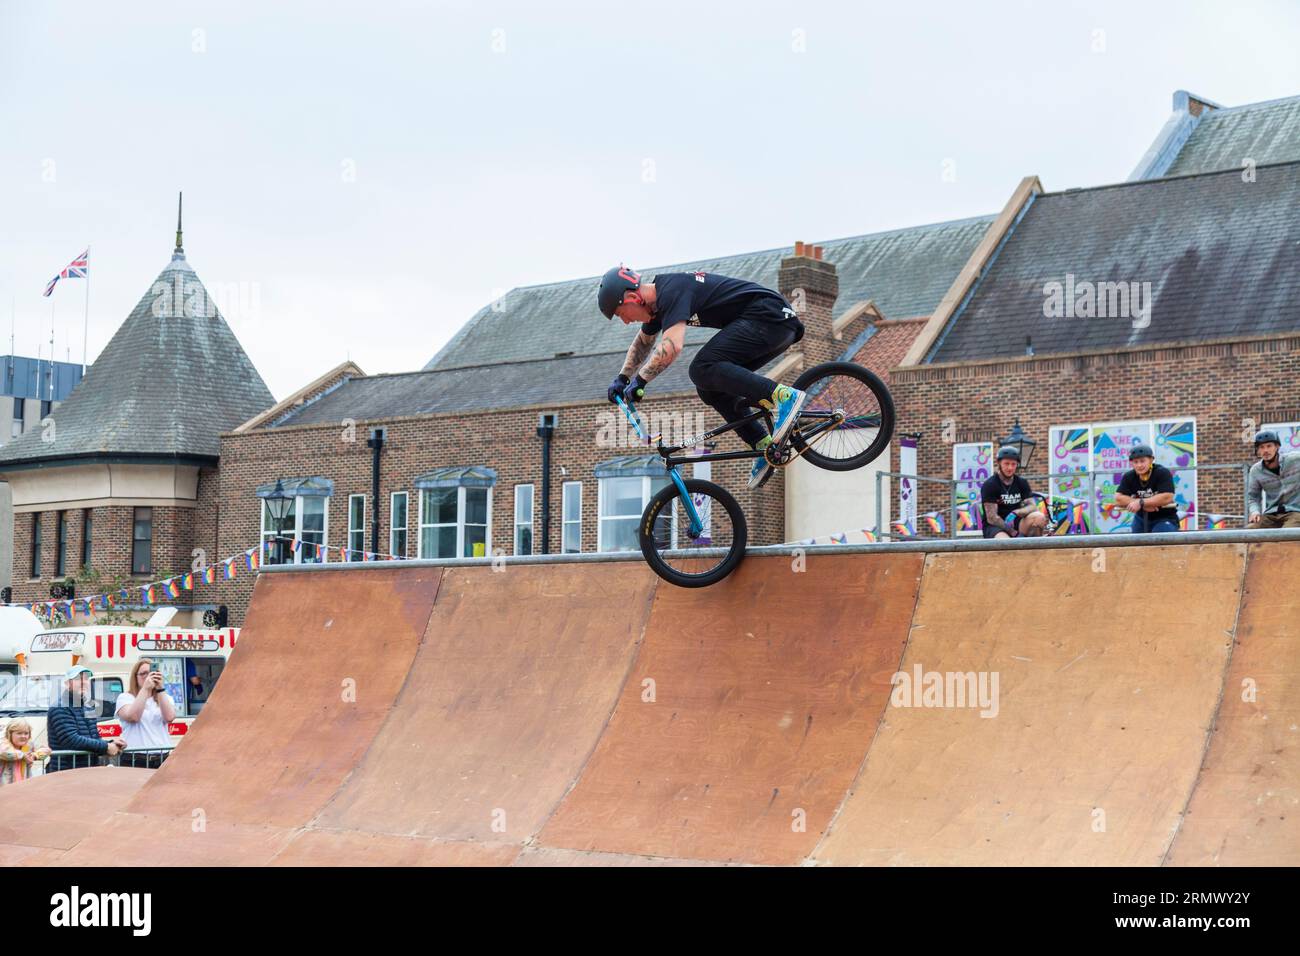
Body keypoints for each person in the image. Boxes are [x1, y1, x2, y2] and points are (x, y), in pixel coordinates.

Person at [599, 265, 806, 489]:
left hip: (768, 318)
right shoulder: (659, 305)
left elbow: (672, 347)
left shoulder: (672, 290)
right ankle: (763, 445)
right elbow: (642, 344)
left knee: (702, 368)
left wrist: (640, 382)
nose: (626, 322)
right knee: (709, 387)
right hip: (773, 325)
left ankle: (785, 396)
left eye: (621, 315)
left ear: (632, 297)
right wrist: (622, 378)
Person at [46, 666, 125, 772]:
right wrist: (106, 747)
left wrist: (112, 743)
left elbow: (94, 737)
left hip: (87, 771)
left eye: (86, 678)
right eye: (78, 679)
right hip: (66, 773)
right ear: (67, 684)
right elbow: (71, 740)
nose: (83, 682)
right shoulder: (59, 708)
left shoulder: (88, 706)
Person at [115, 658, 175, 769]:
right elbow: (133, 717)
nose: (148, 677)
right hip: (135, 758)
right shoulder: (125, 697)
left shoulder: (165, 697)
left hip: (162, 757)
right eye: (143, 674)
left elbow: (169, 717)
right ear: (135, 677)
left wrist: (160, 688)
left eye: (151, 673)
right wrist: (145, 689)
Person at [980, 446, 1048, 539]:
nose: (1010, 468)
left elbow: (1033, 507)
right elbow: (992, 518)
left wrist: (1017, 512)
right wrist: (1014, 533)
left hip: (1016, 522)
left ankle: (1033, 549)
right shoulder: (990, 484)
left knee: (1039, 517)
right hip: (996, 527)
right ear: (999, 463)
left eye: (1013, 464)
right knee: (1006, 543)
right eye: (1006, 464)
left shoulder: (1021, 482)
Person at [1114, 443, 1179, 533]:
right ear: (1131, 463)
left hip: (1164, 518)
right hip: (1141, 519)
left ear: (1151, 460)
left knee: (1160, 539)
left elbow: (1167, 497)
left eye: (1142, 461)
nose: (1139, 465)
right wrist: (1143, 505)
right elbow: (1118, 498)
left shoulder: (1162, 473)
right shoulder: (1129, 476)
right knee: (1136, 543)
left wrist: (1141, 502)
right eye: (1135, 462)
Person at [1246, 429, 1300, 528]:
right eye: (1261, 447)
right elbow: (1253, 497)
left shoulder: (1295, 460)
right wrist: (1255, 512)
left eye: (1269, 446)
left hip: (1295, 511)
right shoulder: (1255, 470)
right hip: (1271, 514)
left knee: (1288, 533)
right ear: (1258, 450)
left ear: (1277, 447)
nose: (1265, 450)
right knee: (1250, 531)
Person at [0, 719, 50, 785]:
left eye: (26, 733)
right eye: (19, 733)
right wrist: (23, 755)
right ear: (10, 734)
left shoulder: (29, 744)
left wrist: (34, 755)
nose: (23, 736)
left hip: (25, 782)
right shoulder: (4, 742)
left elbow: (46, 750)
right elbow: (3, 752)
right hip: (5, 785)